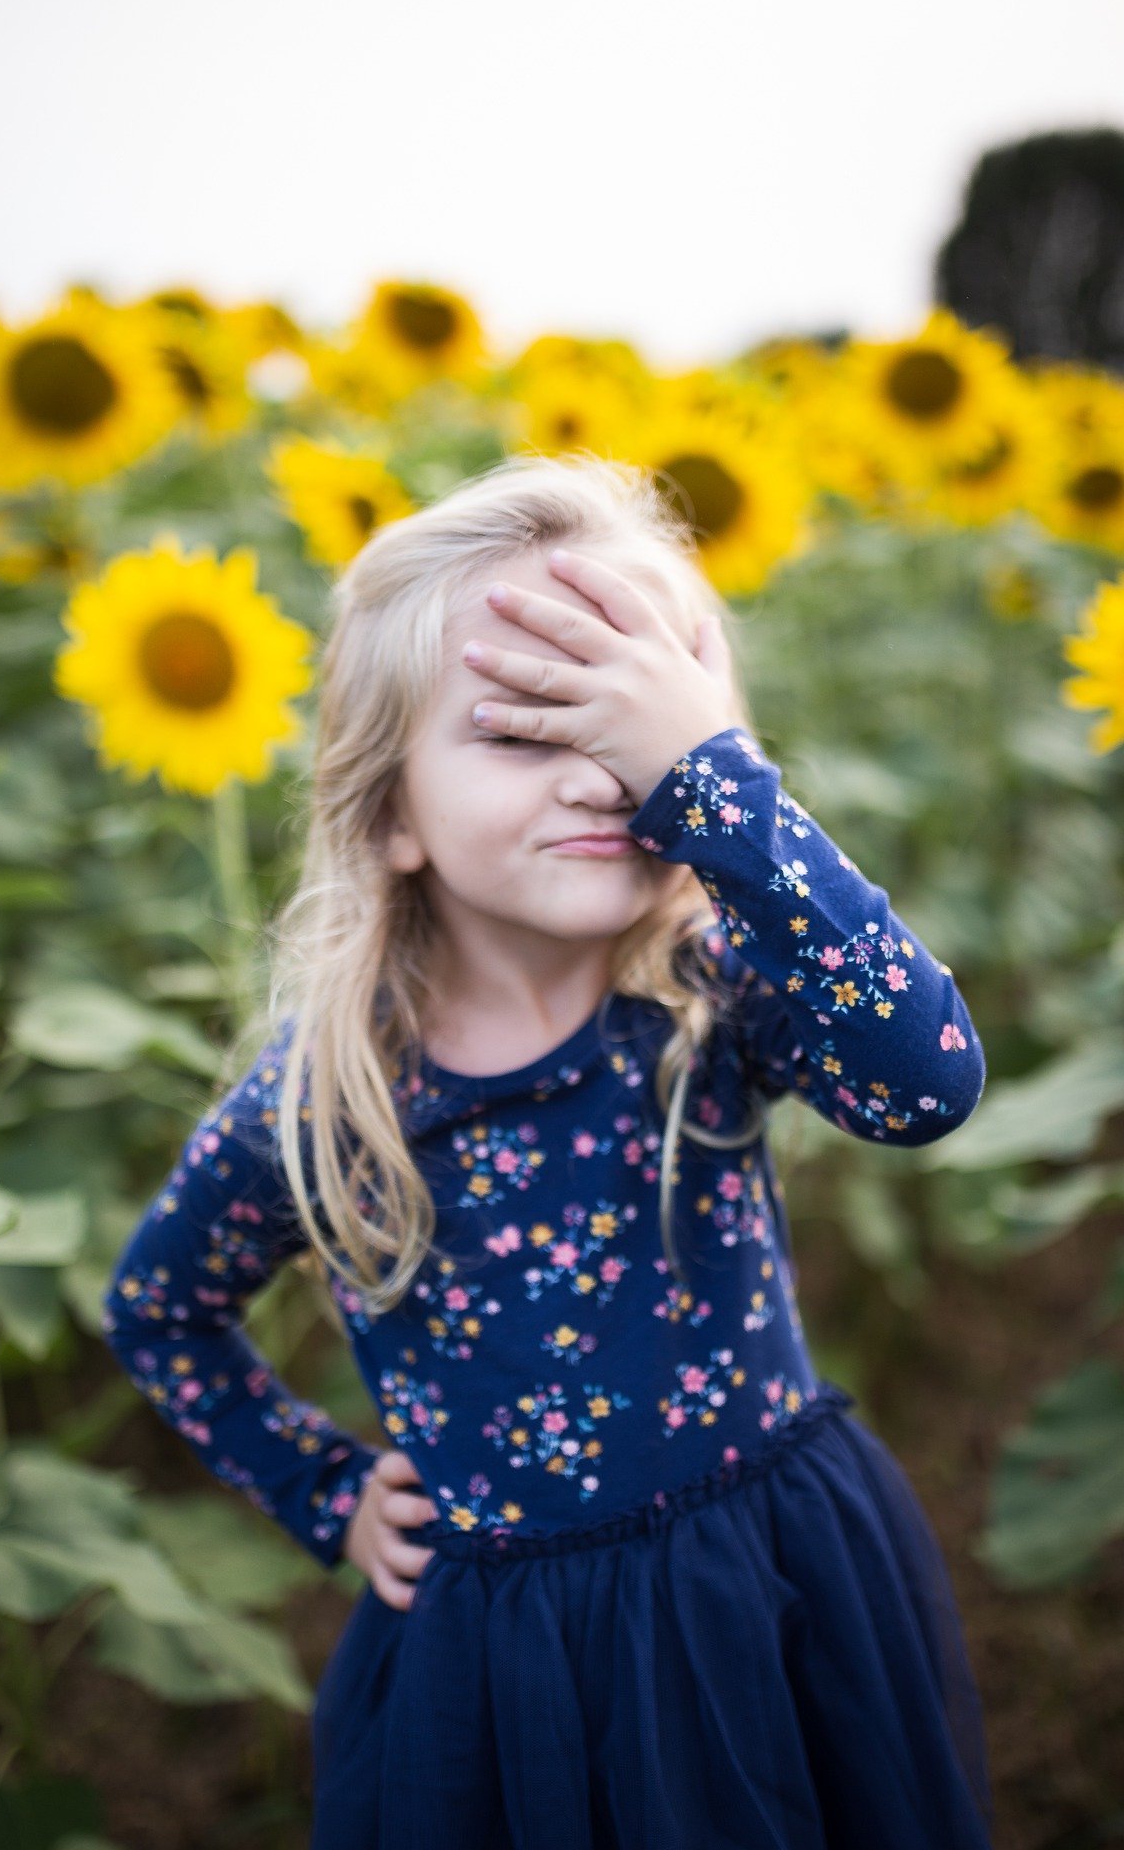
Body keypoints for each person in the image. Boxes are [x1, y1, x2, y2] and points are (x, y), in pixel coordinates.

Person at [101, 451, 996, 1849]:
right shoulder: (337, 1099)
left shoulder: (712, 991)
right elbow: (160, 1306)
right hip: (507, 1677)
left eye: (630, 736)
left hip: (763, 1594)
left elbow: (928, 1082)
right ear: (390, 810)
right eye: (521, 735)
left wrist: (719, 787)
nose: (596, 779)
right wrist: (322, 1489)